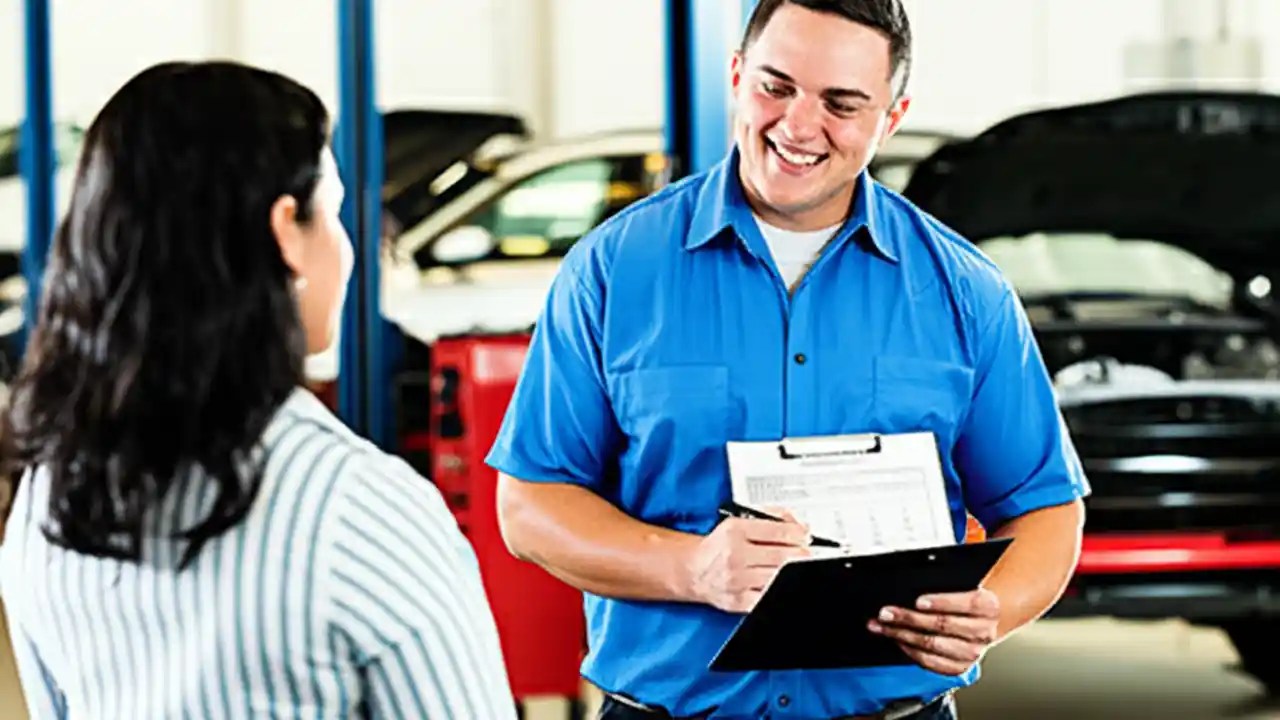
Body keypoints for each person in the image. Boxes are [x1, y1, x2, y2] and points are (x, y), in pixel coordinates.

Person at [486, 1, 1090, 718]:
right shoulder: (615, 271)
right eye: (777, 87)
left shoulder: (967, 293)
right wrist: (694, 570)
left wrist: (990, 609)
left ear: (890, 117)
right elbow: (530, 505)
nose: (799, 126)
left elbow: (1045, 510)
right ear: (738, 77)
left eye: (841, 102)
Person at [0, 61, 515, 720]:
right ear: (285, 232)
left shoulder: (49, 495)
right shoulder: (361, 510)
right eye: (332, 211)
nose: (350, 246)